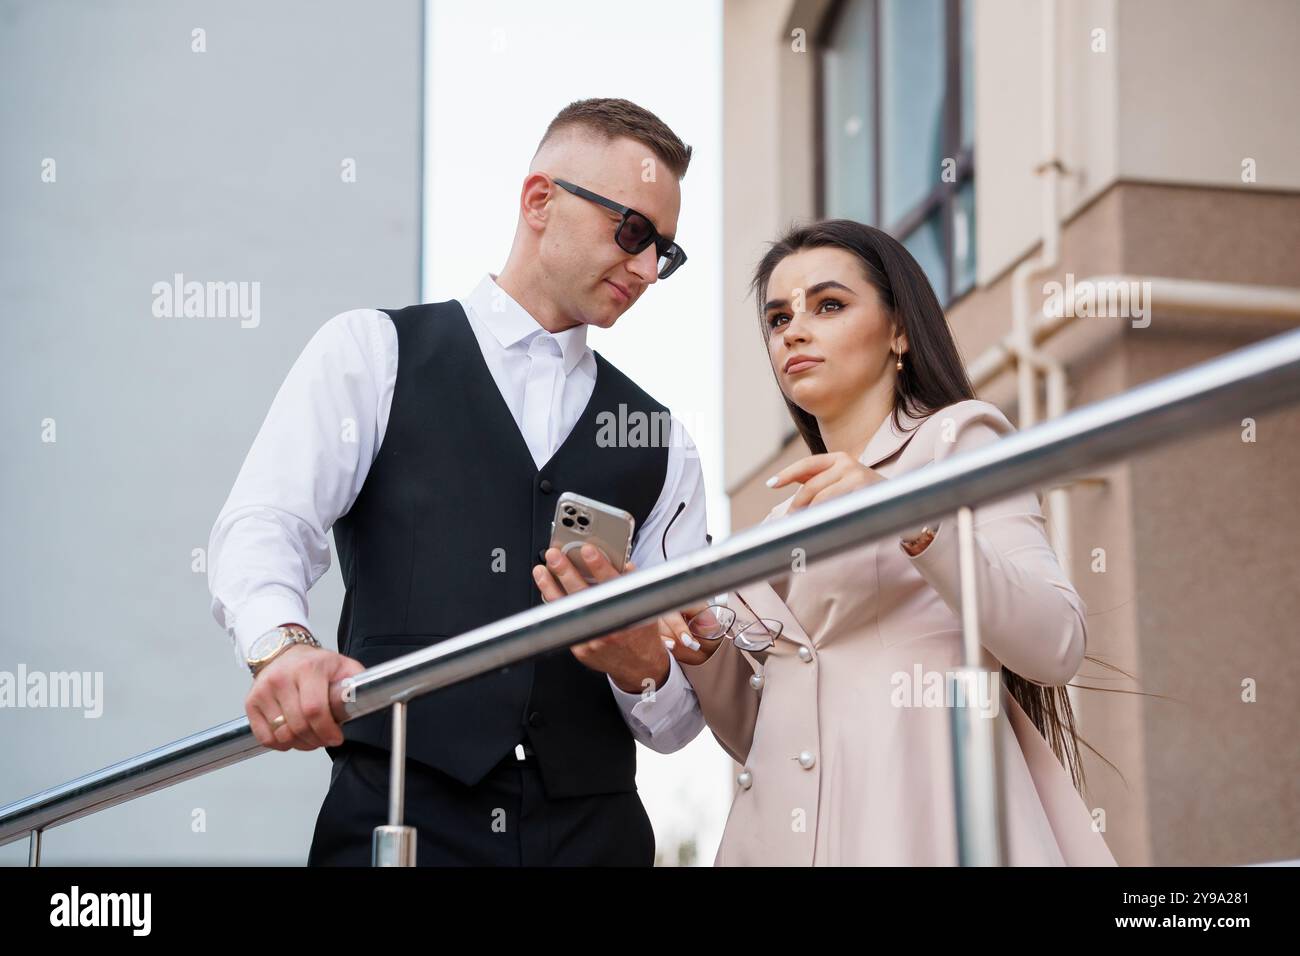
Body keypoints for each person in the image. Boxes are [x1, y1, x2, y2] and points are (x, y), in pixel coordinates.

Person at [206, 98, 711, 866]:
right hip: (399, 820)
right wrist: (286, 650)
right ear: (540, 200)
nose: (646, 268)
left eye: (663, 252)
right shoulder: (373, 352)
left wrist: (643, 664)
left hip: (595, 840)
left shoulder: (661, 437)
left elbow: (674, 723)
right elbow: (264, 523)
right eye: (633, 232)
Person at [666, 219, 1118, 865]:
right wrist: (705, 642)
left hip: (921, 823)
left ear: (900, 330)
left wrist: (906, 517)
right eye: (776, 318)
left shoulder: (959, 442)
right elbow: (759, 735)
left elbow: (1057, 643)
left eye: (828, 305)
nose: (792, 330)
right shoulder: (773, 529)